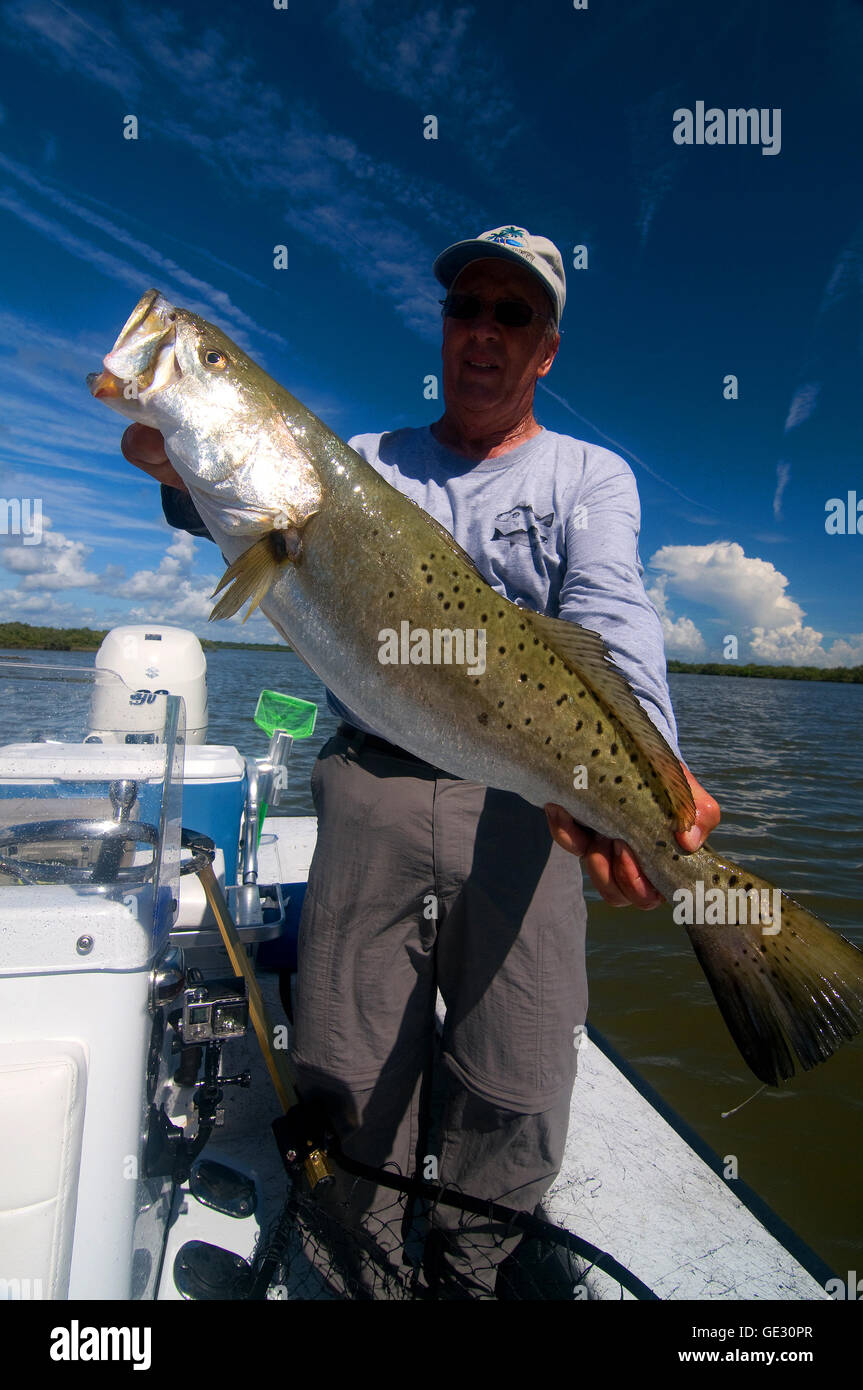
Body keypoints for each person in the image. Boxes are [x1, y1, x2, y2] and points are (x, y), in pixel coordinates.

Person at [123, 225, 719, 1298]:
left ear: (544, 351)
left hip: (529, 802)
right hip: (374, 784)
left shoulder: (590, 475)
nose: (481, 331)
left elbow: (608, 617)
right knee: (347, 1065)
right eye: (464, 309)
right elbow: (234, 496)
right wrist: (175, 446)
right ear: (442, 330)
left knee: (520, 1075)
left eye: (512, 314)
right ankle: (353, 1268)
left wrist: (657, 772)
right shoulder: (358, 460)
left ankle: (477, 1267)